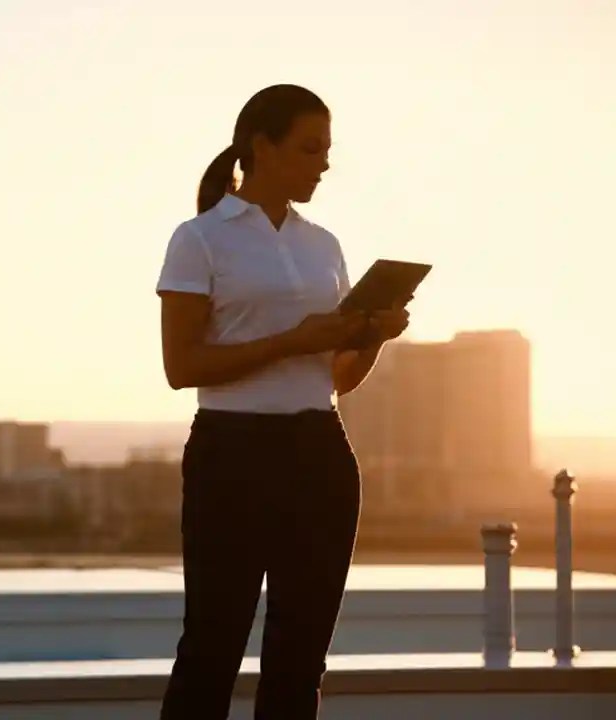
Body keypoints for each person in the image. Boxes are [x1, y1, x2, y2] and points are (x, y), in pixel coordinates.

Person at [155, 84, 410, 719]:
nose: (323, 163)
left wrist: (372, 335)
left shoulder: (322, 245)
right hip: (231, 455)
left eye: (327, 149)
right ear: (261, 148)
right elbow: (181, 367)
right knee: (212, 649)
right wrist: (291, 339)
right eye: (309, 148)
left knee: (300, 662)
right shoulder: (200, 239)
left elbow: (337, 377)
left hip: (320, 454)